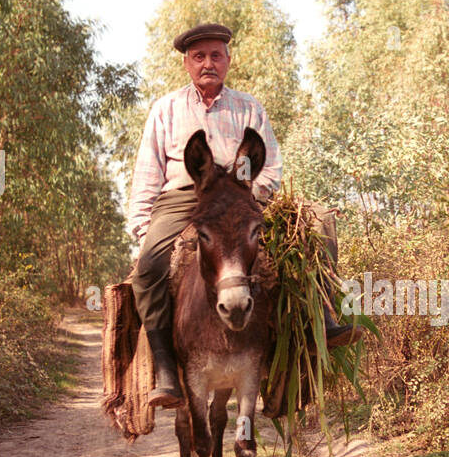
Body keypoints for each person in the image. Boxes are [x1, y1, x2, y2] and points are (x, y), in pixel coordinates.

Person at [128, 22, 358, 409]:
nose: (208, 64)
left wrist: (251, 193)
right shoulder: (165, 109)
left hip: (241, 194)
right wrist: (140, 230)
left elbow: (269, 167)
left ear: (228, 60)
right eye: (199, 57)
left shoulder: (249, 107)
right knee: (148, 267)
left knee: (320, 222)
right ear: (187, 63)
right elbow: (147, 172)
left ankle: (322, 323)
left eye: (216, 55)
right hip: (186, 195)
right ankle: (167, 370)